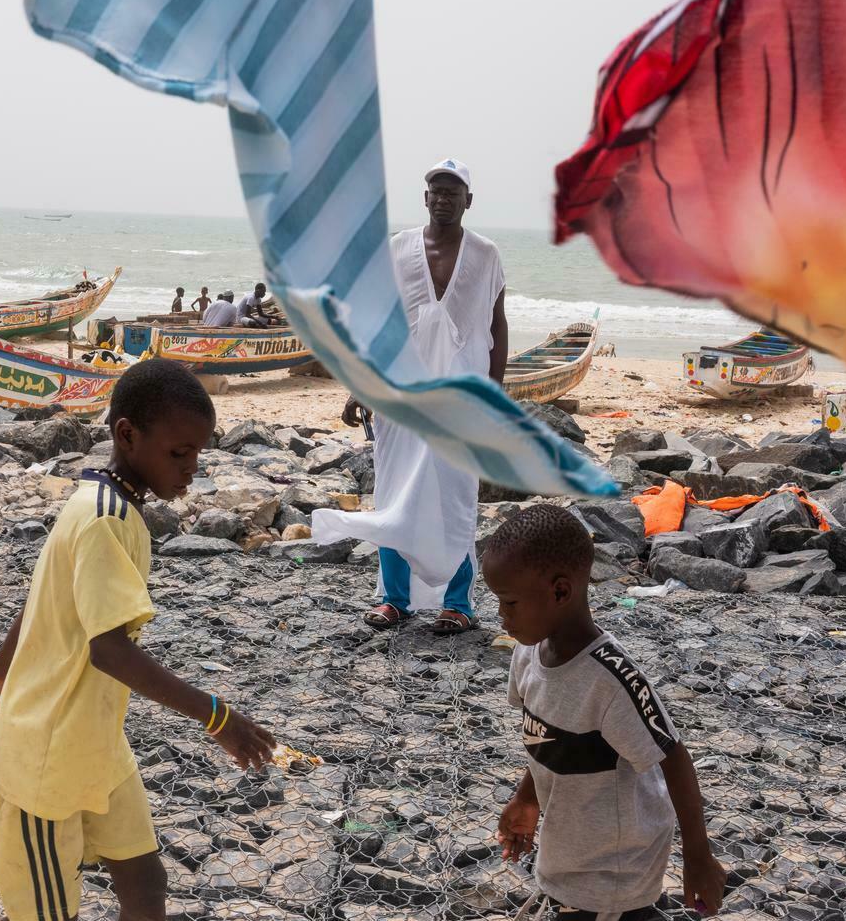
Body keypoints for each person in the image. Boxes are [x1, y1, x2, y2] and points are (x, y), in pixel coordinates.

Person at [0, 361, 277, 921]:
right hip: (49, 756)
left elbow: (44, 596)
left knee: (143, 876)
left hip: (97, 741)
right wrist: (217, 717)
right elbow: (108, 650)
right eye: (179, 453)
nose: (192, 469)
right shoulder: (103, 518)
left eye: (199, 454)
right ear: (127, 434)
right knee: (47, 907)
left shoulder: (108, 503)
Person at [483, 504, 726, 920]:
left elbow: (674, 757)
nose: (501, 616)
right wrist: (526, 799)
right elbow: (550, 741)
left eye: (509, 603)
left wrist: (698, 858)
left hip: (614, 868)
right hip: (568, 852)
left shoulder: (612, 680)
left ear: (561, 591)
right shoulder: (527, 654)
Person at [311, 158, 506, 635]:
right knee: (395, 492)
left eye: (452, 191)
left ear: (468, 201)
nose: (443, 198)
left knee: (456, 497)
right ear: (425, 199)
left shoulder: (486, 254)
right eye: (435, 191)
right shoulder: (398, 250)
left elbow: (497, 325)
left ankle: (457, 603)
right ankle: (394, 599)